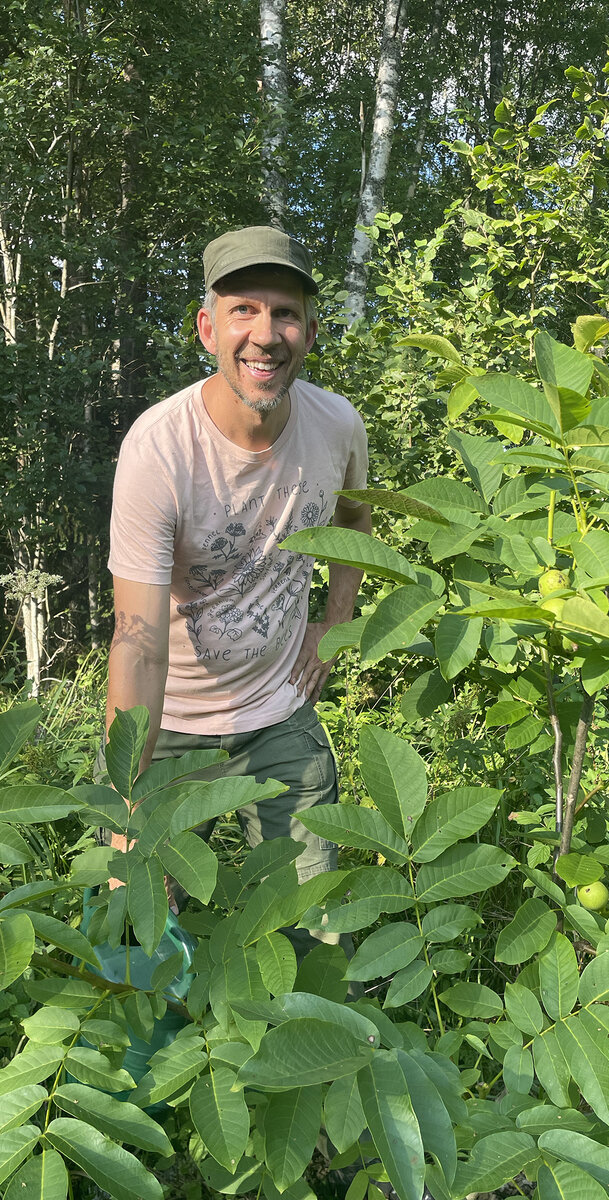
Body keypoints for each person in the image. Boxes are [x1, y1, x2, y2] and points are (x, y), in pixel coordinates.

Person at [105, 225, 370, 904]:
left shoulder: (337, 426)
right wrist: (126, 803)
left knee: (312, 930)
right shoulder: (159, 449)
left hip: (281, 713)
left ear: (310, 333)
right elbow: (137, 644)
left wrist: (333, 627)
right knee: (139, 930)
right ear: (207, 329)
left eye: (285, 313)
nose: (265, 334)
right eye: (242, 310)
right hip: (168, 726)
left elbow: (355, 524)